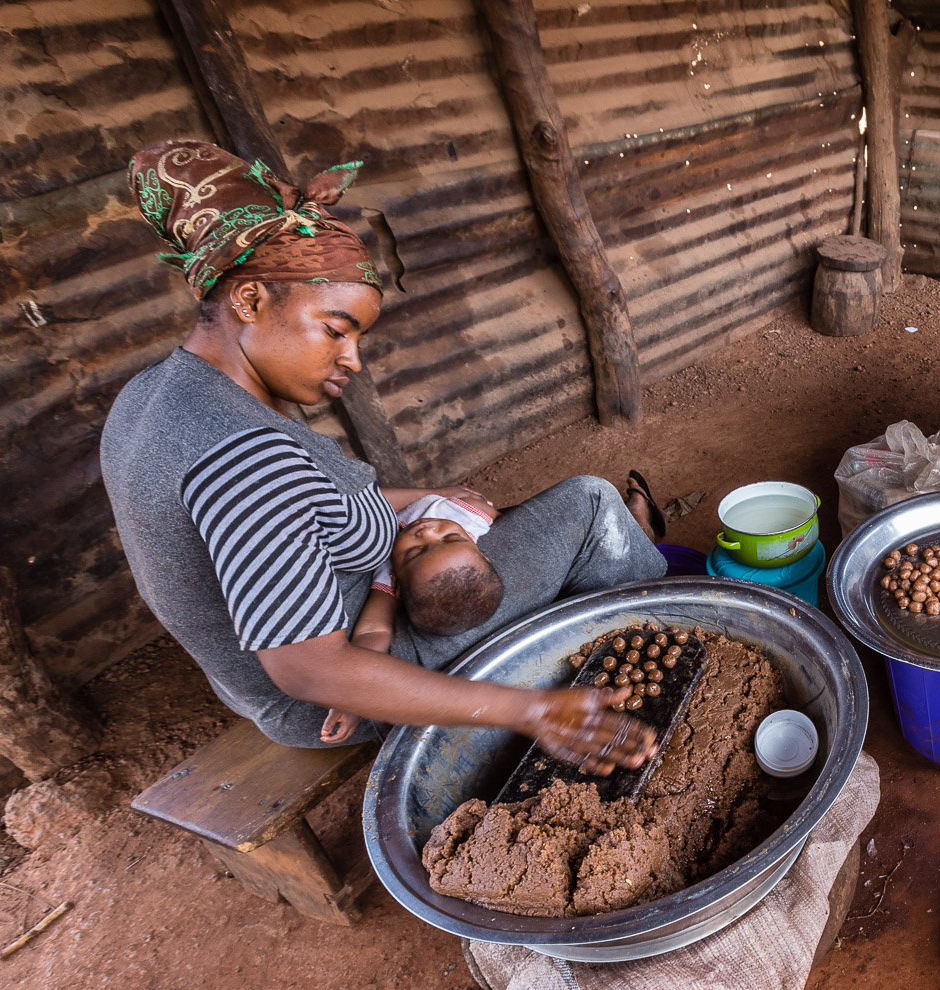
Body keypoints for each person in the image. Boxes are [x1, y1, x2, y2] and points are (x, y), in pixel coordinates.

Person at [102, 140, 664, 772]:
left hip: (340, 634)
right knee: (589, 508)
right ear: (250, 300)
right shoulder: (244, 459)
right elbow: (311, 669)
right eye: (336, 330)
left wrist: (414, 499)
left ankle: (610, 593)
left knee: (503, 520)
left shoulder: (154, 396)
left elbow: (304, 510)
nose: (352, 360)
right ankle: (662, 643)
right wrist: (528, 710)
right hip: (359, 677)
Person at [319, 493, 505, 743]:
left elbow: (372, 631)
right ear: (483, 554)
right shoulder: (469, 518)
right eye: (450, 538)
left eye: (415, 552)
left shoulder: (389, 574)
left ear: (396, 585)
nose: (428, 532)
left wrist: (351, 698)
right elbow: (486, 508)